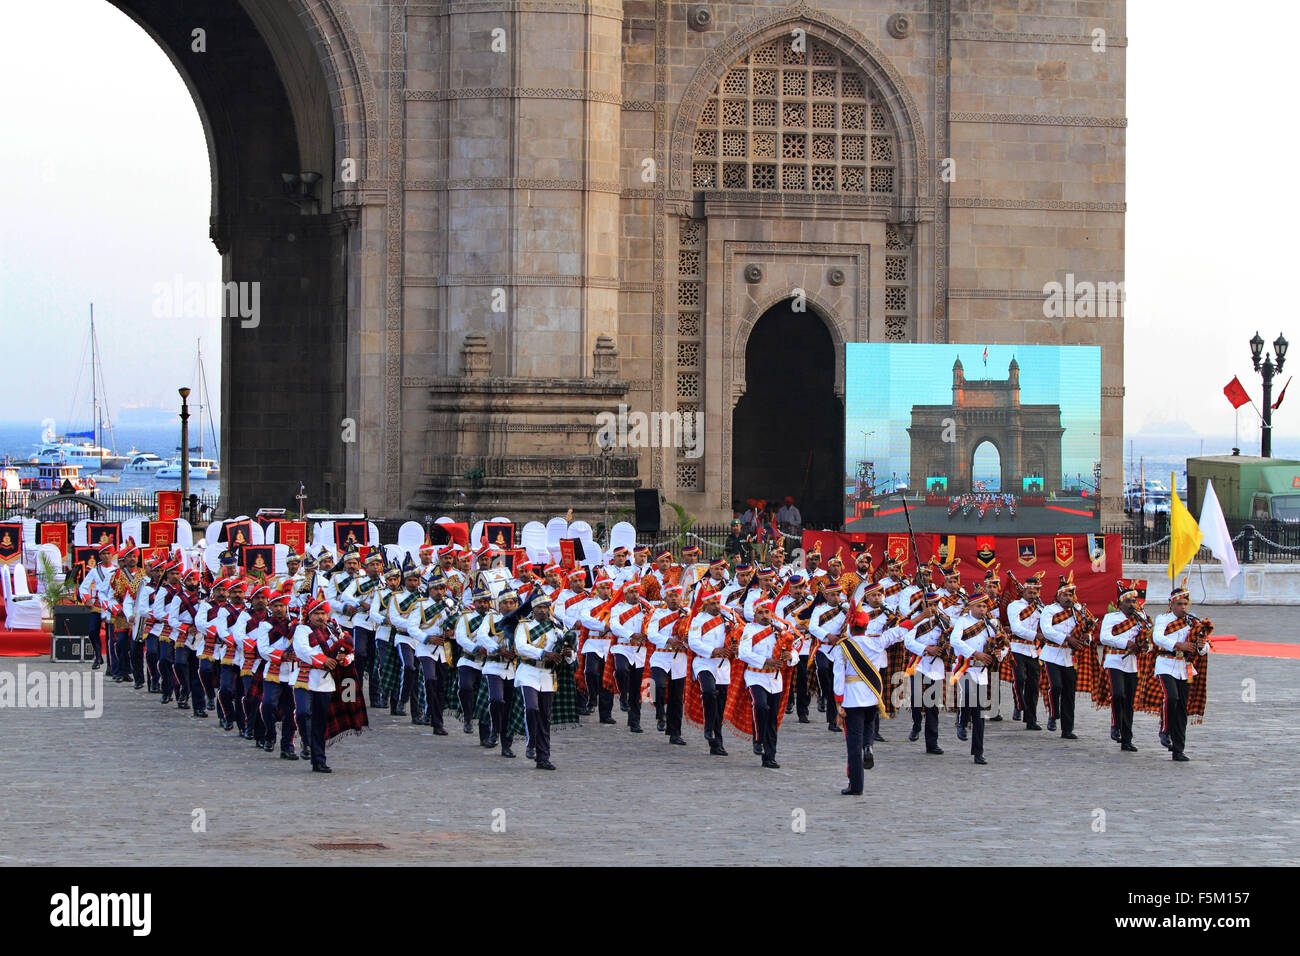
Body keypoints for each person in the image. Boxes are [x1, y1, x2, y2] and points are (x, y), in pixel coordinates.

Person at [831, 594, 900, 793]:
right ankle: (869, 745)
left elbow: (838, 678)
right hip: (872, 697)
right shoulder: (877, 643)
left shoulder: (842, 648)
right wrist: (921, 616)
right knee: (869, 725)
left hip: (852, 699)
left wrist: (838, 704)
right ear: (866, 626)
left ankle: (856, 786)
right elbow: (899, 630)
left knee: (853, 745)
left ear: (850, 626)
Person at [291, 596, 353, 773]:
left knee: (320, 722)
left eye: (323, 613)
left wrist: (344, 659)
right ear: (309, 615)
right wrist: (323, 660)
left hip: (325, 682)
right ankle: (307, 741)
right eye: (316, 613)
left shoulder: (334, 631)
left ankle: (319, 760)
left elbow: (349, 652)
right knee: (303, 712)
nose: (320, 616)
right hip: (304, 678)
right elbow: (302, 649)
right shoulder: (302, 629)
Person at [738, 598, 796, 768]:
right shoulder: (749, 629)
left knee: (772, 719)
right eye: (760, 613)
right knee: (760, 705)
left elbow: (795, 650)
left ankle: (770, 757)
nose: (764, 616)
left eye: (767, 612)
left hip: (775, 679)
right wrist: (765, 661)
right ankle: (758, 739)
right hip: (755, 676)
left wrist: (791, 656)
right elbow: (743, 653)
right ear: (755, 615)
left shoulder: (782, 629)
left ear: (772, 613)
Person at [1152, 587, 1208, 762]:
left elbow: (1204, 648)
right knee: (1172, 697)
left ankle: (1178, 749)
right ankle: (1165, 729)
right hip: (1166, 663)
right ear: (1171, 604)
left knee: (1182, 708)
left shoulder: (1193, 621)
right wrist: (1178, 644)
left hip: (1185, 667)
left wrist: (1201, 645)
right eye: (1179, 604)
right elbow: (1157, 638)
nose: (1183, 607)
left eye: (1185, 604)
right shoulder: (1163, 619)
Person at [513, 595, 569, 770]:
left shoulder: (557, 628)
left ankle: (543, 757)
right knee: (531, 708)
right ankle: (531, 741)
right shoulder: (524, 626)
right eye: (539, 607)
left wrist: (568, 653)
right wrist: (543, 653)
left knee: (545, 716)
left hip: (547, 674)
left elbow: (567, 651)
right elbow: (520, 647)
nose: (542, 611)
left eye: (545, 607)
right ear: (533, 609)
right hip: (528, 671)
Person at [948, 593, 1003, 765]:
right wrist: (975, 653)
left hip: (981, 671)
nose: (982, 609)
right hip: (964, 666)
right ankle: (962, 722)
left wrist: (1000, 653)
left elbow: (1004, 644)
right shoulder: (962, 621)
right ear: (971, 607)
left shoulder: (992, 624)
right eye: (979, 606)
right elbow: (954, 640)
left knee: (980, 714)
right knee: (968, 696)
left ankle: (978, 752)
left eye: (984, 606)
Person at [1099, 582, 1147, 753]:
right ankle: (1115, 725)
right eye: (1128, 601)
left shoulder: (1141, 619)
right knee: (1118, 694)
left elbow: (1145, 640)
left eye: (1134, 601)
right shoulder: (1111, 618)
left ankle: (1127, 739)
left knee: (1129, 702)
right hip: (1114, 660)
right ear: (1120, 604)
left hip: (1131, 663)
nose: (1132, 604)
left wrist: (1144, 646)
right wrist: (1126, 643)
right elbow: (1104, 638)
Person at [1038, 575, 1087, 740]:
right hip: (1052, 654)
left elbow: (1087, 628)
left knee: (1069, 693)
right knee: (1056, 686)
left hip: (1069, 657)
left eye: (1070, 595)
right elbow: (1047, 630)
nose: (1068, 598)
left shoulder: (1078, 610)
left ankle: (1067, 729)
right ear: (1058, 596)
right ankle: (1053, 714)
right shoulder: (1049, 610)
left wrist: (1086, 637)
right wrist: (1067, 638)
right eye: (1065, 595)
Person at [688, 589, 733, 755]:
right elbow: (693, 642)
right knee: (708, 692)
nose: (716, 606)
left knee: (720, 707)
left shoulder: (728, 618)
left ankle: (716, 743)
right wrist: (713, 651)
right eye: (712, 604)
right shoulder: (698, 620)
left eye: (718, 603)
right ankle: (708, 726)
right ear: (705, 605)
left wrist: (733, 648)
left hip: (723, 666)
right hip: (704, 662)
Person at [257, 588, 300, 758]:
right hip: (273, 672)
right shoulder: (265, 625)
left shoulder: (295, 625)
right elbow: (262, 649)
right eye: (275, 605)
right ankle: (270, 733)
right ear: (270, 607)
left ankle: (287, 746)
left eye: (281, 605)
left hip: (292, 672)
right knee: (268, 704)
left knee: (291, 711)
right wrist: (282, 655)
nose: (279, 609)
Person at [478, 588, 521, 756]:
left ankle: (506, 745)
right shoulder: (490, 618)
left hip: (513, 669)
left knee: (509, 707)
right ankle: (494, 728)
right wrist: (498, 649)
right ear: (498, 604)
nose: (508, 606)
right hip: (494, 666)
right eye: (504, 603)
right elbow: (482, 636)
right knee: (496, 699)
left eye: (511, 603)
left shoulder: (521, 620)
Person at [903, 598, 947, 755]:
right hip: (918, 663)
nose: (933, 608)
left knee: (932, 706)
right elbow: (908, 642)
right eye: (930, 604)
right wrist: (927, 649)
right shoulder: (915, 621)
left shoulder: (943, 621)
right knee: (916, 697)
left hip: (935, 666)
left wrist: (943, 647)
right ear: (923, 605)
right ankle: (916, 724)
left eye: (935, 605)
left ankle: (932, 743)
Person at [646, 584, 689, 744]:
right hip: (661, 656)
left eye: (676, 596)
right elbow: (651, 634)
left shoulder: (687, 613)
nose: (673, 599)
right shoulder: (657, 613)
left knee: (676, 698)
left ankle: (675, 733)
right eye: (670, 596)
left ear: (680, 597)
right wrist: (668, 640)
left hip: (679, 659)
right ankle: (659, 712)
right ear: (665, 598)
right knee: (658, 685)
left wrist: (685, 640)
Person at [453, 587, 494, 743]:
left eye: (485, 602)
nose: (482, 605)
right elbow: (460, 637)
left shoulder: (494, 618)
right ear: (474, 603)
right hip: (469, 660)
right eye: (479, 602)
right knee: (465, 687)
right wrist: (476, 648)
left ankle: (485, 736)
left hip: (488, 663)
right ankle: (467, 716)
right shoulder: (466, 617)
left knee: (486, 699)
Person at [608, 579, 648, 733]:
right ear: (625, 594)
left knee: (637, 688)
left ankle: (634, 721)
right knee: (621, 670)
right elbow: (614, 626)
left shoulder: (646, 608)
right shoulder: (617, 608)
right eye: (631, 592)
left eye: (636, 592)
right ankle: (623, 695)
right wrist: (631, 634)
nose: (634, 595)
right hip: (623, 647)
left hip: (639, 651)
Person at [1005, 573, 1044, 730]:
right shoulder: (1014, 606)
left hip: (1033, 650)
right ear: (1023, 592)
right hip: (1017, 647)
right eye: (1030, 592)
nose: (1032, 595)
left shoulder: (1040, 608)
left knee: (1033, 685)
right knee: (1019, 678)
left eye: (1035, 593)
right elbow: (1016, 628)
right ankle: (1019, 704)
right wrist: (1036, 635)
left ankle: (1031, 719)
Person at [809, 584, 847, 732]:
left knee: (835, 686)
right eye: (832, 595)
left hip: (839, 649)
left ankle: (833, 721)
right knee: (823, 669)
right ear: (826, 596)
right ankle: (822, 693)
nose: (836, 598)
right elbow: (812, 627)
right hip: (823, 648)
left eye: (838, 595)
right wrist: (828, 635)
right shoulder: (819, 610)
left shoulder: (845, 609)